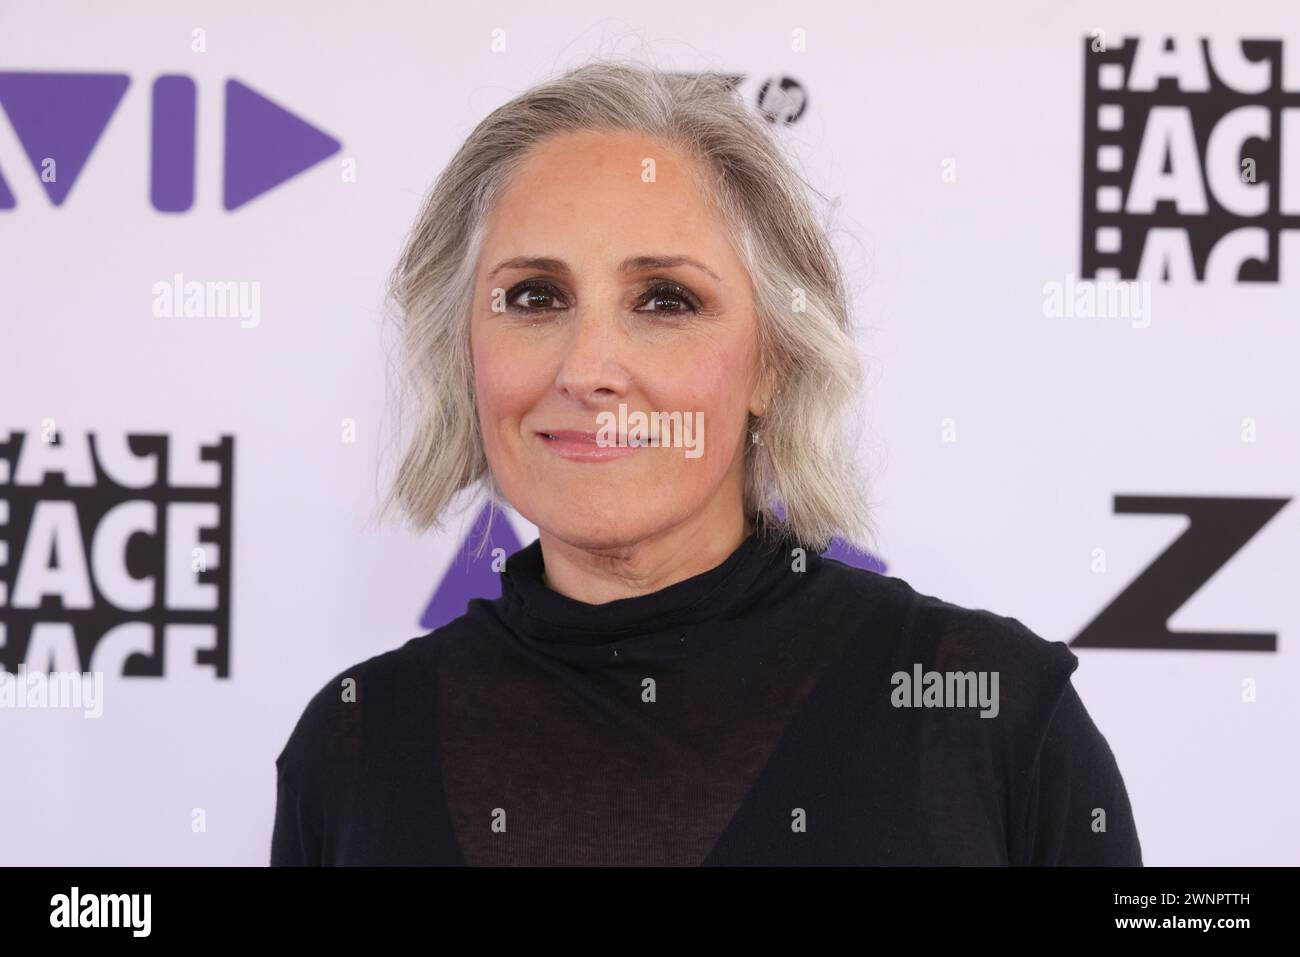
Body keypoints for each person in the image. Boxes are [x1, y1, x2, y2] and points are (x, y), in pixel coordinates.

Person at [271, 61, 1142, 866]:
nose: (587, 370)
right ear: (462, 349)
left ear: (774, 360)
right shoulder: (353, 744)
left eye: (665, 300)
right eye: (534, 296)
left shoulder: (987, 711)